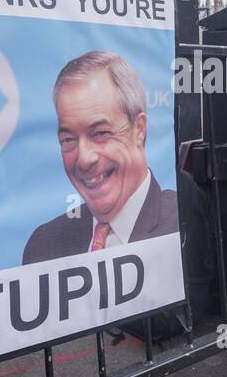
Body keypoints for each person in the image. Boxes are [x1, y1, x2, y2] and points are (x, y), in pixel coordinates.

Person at [22, 51, 178, 264]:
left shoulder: (187, 224)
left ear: (139, 130)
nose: (84, 158)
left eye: (101, 133)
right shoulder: (44, 246)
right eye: (68, 140)